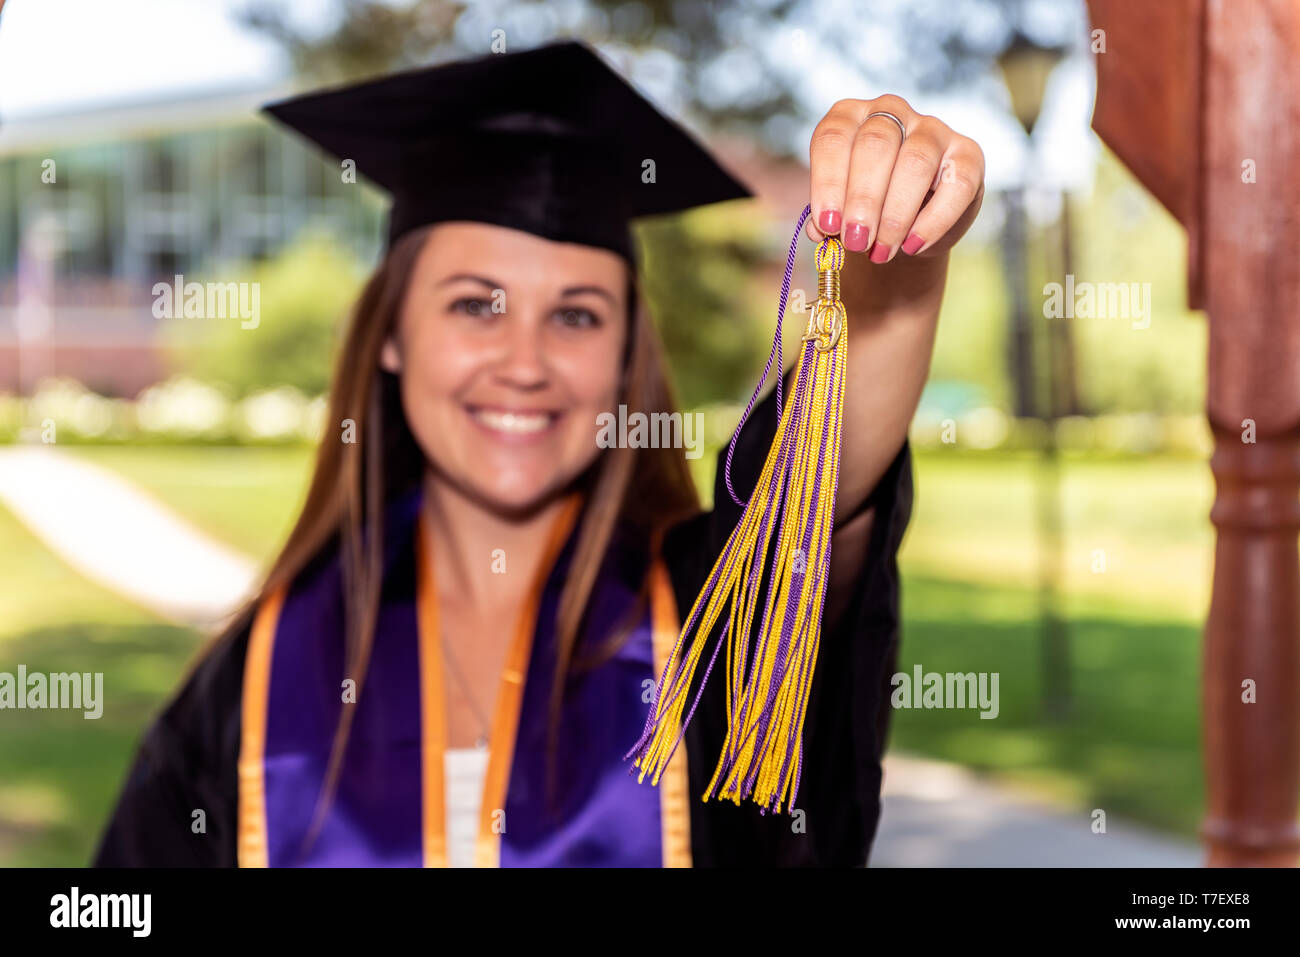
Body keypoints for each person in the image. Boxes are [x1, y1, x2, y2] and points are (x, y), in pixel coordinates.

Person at [93, 38, 984, 867]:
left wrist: (894, 275)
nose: (525, 363)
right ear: (393, 334)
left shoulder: (708, 634)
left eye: (576, 315)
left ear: (626, 353)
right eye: (475, 303)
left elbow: (816, 489)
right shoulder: (253, 686)